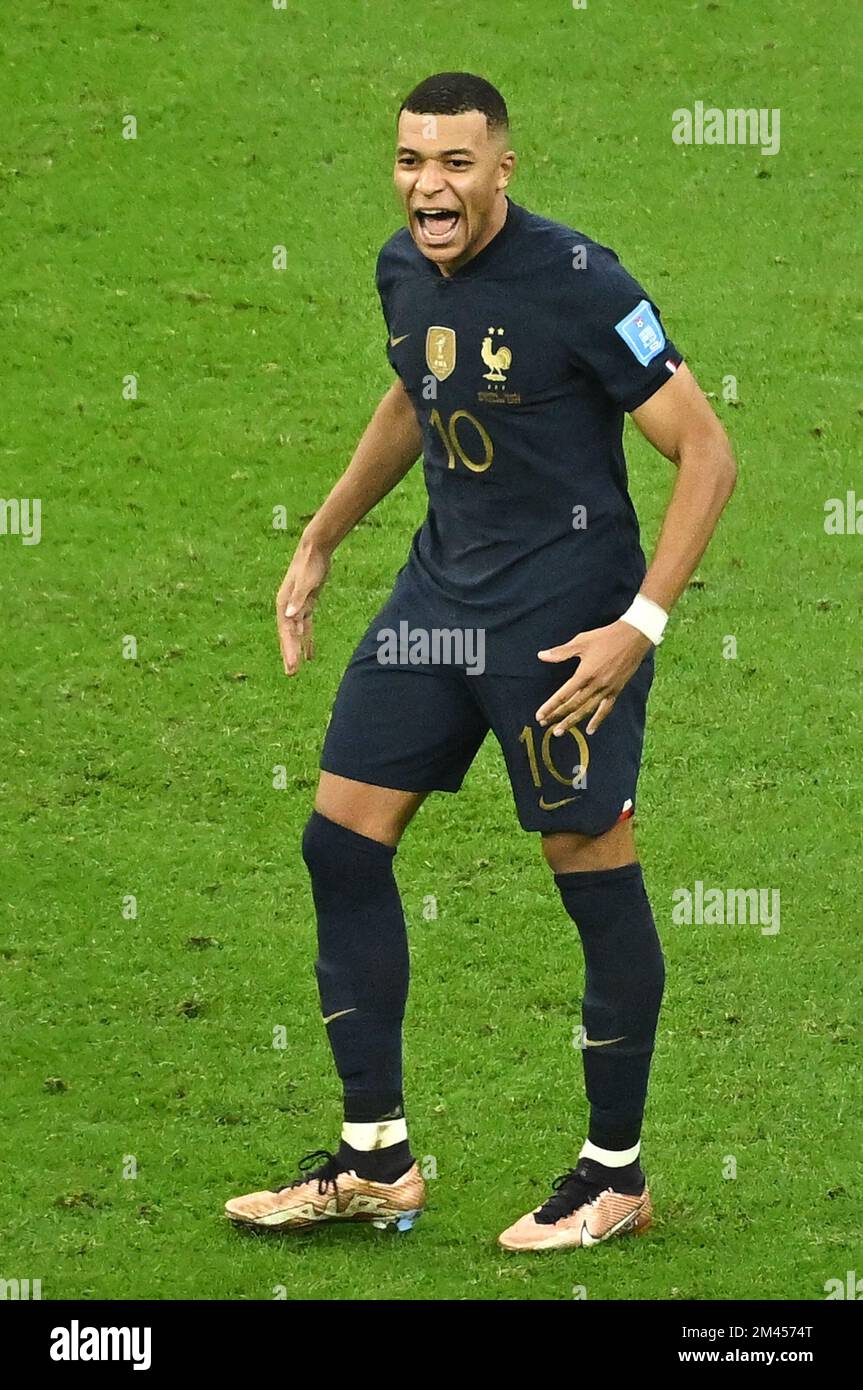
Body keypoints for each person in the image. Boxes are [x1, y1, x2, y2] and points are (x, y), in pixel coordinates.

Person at [225, 72, 737, 1251]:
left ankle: (614, 1173)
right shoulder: (402, 269)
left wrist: (638, 627)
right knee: (339, 840)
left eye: (454, 163)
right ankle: (375, 1159)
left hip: (563, 628)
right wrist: (321, 534)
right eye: (411, 161)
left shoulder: (582, 283)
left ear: (503, 166)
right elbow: (419, 387)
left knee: (585, 866)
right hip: (436, 604)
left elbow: (705, 454)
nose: (428, 187)